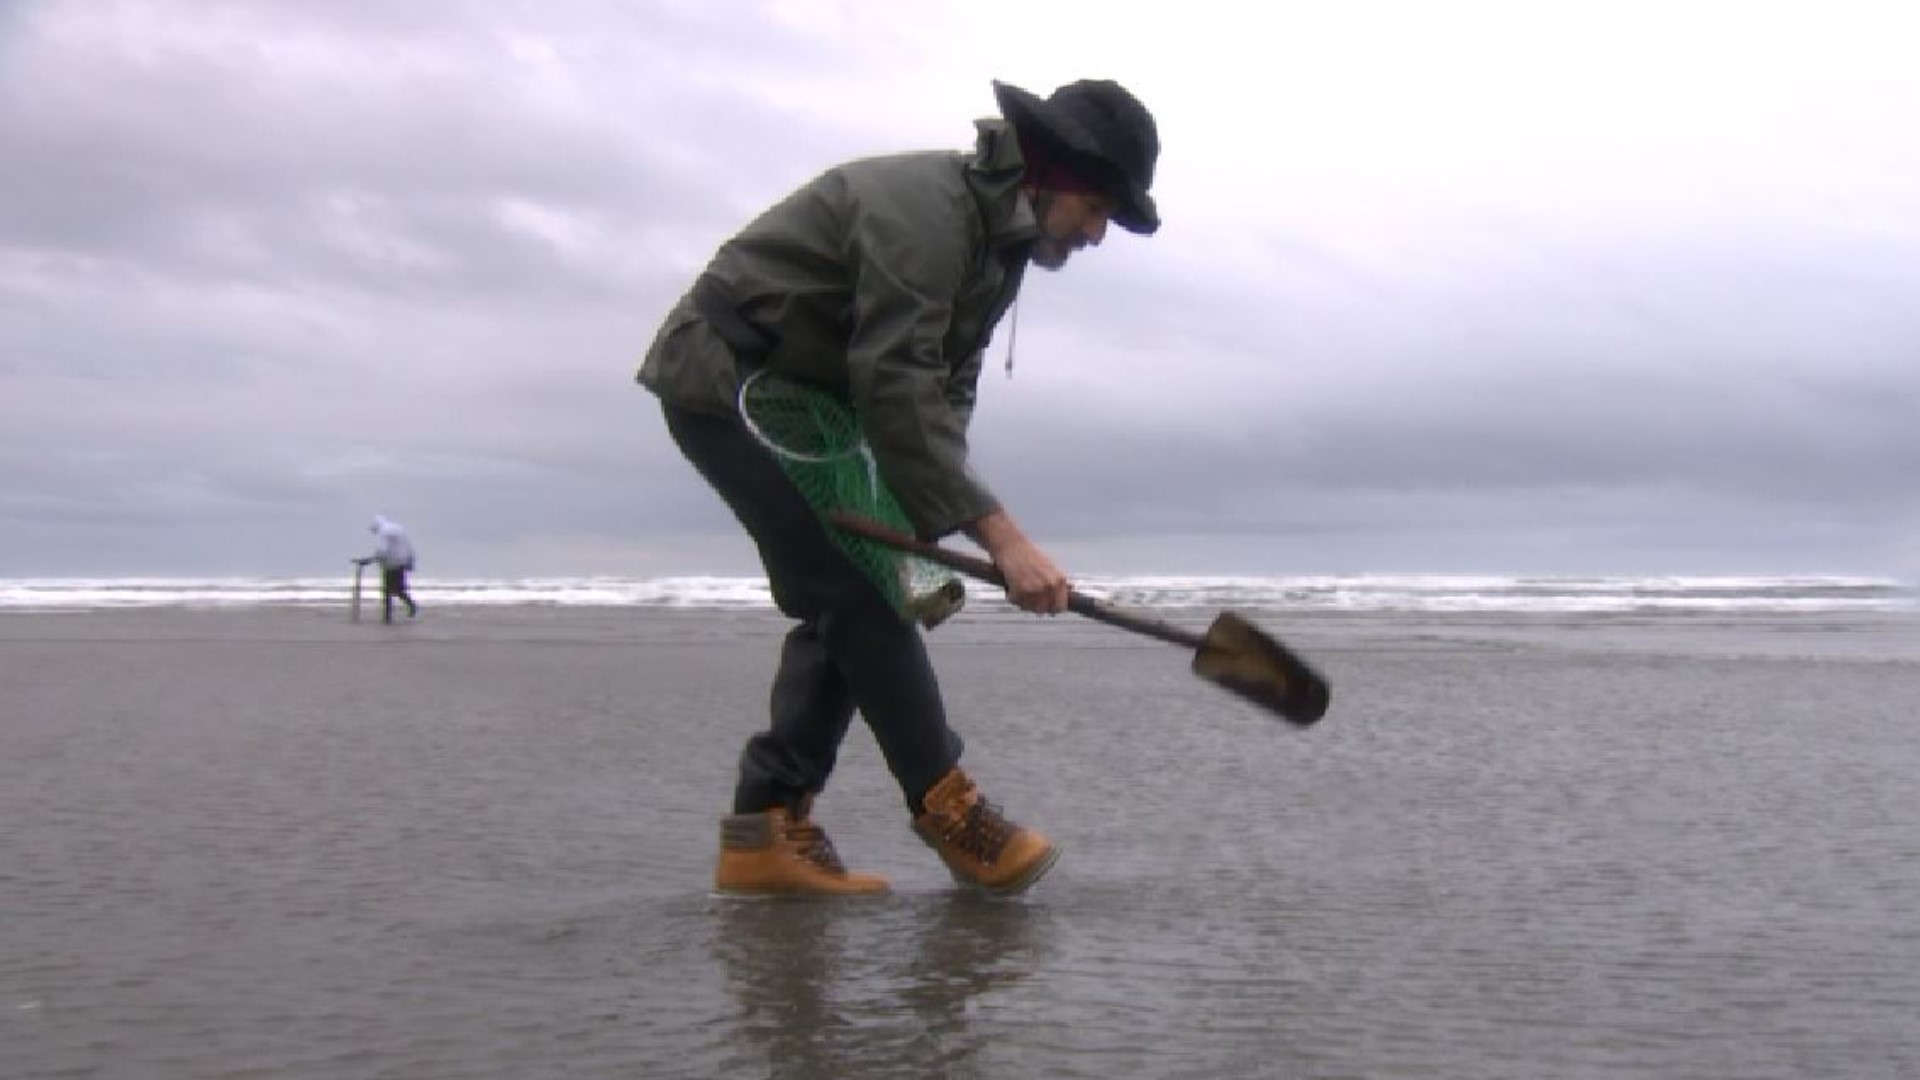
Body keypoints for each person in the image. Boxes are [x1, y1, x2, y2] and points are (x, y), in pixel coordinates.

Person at [637, 78, 1161, 897]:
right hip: (731, 384)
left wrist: (928, 524)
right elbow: (896, 381)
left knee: (862, 591)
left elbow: (945, 392)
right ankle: (952, 813)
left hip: (818, 408)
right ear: (1053, 173)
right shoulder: (926, 213)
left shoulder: (999, 249)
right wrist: (1003, 539)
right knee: (857, 595)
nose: (1099, 233)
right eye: (1100, 209)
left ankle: (763, 832)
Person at [354, 514, 418, 623]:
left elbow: (383, 550)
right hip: (402, 562)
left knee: (387, 591)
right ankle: (410, 606)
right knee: (398, 588)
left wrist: (368, 561)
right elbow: (408, 546)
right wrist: (410, 561)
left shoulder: (384, 532)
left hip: (390, 564)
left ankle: (388, 617)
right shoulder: (398, 528)